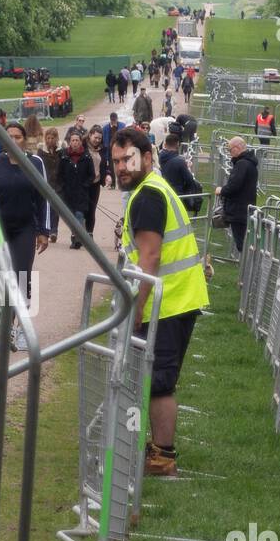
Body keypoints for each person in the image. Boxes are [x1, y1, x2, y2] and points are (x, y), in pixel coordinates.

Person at [110, 127, 209, 478]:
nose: (121, 166)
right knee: (156, 379)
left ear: (148, 157)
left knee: (159, 382)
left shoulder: (147, 195)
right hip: (176, 298)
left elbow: (150, 257)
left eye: (129, 159)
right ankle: (157, 448)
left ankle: (164, 457)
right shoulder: (151, 189)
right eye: (117, 160)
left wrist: (136, 309)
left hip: (168, 302)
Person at [0, 122, 51, 351]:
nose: (13, 140)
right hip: (0, 229)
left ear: (24, 139)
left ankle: (18, 328)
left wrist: (44, 232)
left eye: (18, 137)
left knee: (21, 277)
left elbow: (44, 197)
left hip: (25, 228)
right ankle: (2, 327)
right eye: (9, 137)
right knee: (1, 279)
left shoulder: (35, 163)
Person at [217, 136, 259, 254]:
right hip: (245, 208)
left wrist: (221, 190)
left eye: (230, 150)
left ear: (237, 148)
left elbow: (233, 186)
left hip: (239, 210)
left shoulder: (242, 164)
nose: (230, 153)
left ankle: (248, 269)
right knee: (244, 242)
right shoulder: (249, 163)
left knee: (242, 243)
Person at [57, 133, 94, 249]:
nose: (75, 142)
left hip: (82, 193)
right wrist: (63, 186)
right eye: (72, 140)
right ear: (70, 142)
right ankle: (75, 236)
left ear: (80, 142)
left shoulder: (86, 157)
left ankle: (77, 239)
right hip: (68, 193)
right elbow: (59, 174)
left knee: (79, 215)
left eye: (77, 140)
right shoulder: (64, 157)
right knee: (72, 216)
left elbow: (91, 174)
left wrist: (85, 185)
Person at [158, 131, 205, 213]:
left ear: (165, 144)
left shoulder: (161, 156)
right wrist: (186, 167)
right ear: (177, 144)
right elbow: (189, 179)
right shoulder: (179, 161)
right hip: (177, 194)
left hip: (164, 190)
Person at [37, 127, 63, 243]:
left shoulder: (61, 151)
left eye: (52, 138)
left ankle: (54, 231)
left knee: (55, 208)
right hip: (45, 183)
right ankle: (45, 231)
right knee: (44, 208)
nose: (50, 140)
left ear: (56, 138)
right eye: (48, 138)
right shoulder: (41, 151)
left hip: (58, 184)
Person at [86, 125, 109, 234]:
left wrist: (107, 175)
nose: (97, 140)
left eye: (99, 138)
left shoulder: (103, 149)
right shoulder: (83, 148)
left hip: (95, 184)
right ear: (90, 135)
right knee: (81, 210)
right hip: (83, 184)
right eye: (95, 137)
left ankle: (89, 234)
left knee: (91, 210)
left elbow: (105, 165)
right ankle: (76, 235)